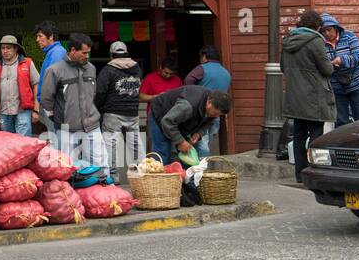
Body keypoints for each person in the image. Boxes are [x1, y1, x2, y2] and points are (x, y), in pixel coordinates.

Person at [282, 9, 335, 183]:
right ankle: (315, 172)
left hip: (295, 95)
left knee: (298, 136)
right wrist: (332, 64)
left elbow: (283, 67)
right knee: (316, 135)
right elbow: (326, 69)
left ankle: (300, 174)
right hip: (314, 96)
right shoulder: (316, 41)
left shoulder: (288, 41)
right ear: (318, 26)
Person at [38, 33, 105, 165]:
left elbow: (93, 93)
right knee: (67, 167)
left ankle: (101, 184)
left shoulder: (91, 68)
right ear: (73, 50)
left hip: (92, 125)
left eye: (88, 53)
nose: (87, 56)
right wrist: (57, 116)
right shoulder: (55, 70)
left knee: (100, 165)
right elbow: (46, 99)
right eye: (84, 53)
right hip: (66, 128)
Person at [147, 86, 232, 165]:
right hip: (161, 114)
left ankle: (180, 178)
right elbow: (167, 122)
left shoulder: (212, 106)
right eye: (216, 113)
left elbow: (209, 121)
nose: (216, 116)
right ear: (209, 103)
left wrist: (199, 133)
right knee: (163, 153)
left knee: (182, 154)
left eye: (219, 115)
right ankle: (160, 179)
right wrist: (181, 141)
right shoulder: (187, 106)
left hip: (178, 120)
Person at [95, 41, 142, 181]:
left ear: (111, 55)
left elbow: (100, 92)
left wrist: (100, 108)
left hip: (113, 112)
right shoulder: (137, 68)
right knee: (135, 144)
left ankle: (113, 177)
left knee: (111, 145)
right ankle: (140, 175)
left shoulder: (108, 70)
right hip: (133, 112)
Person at [320, 13, 359, 125]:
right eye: (323, 31)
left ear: (336, 27)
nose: (327, 33)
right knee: (340, 121)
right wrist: (329, 65)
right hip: (336, 87)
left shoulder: (349, 36)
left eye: (329, 29)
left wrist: (342, 60)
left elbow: (358, 56)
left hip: (357, 84)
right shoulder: (321, 43)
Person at [0, 35, 39, 135]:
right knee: (8, 144)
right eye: (3, 48)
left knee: (23, 144)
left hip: (23, 111)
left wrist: (36, 110)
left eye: (8, 48)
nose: (5, 51)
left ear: (16, 49)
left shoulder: (27, 63)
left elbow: (36, 86)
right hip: (4, 113)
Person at [184, 46, 231, 156]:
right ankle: (203, 164)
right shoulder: (226, 73)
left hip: (204, 112)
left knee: (201, 144)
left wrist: (193, 95)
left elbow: (187, 80)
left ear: (204, 57)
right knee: (208, 141)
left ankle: (200, 168)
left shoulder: (202, 68)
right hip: (216, 114)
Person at [34, 21, 66, 137]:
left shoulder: (56, 53)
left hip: (54, 107)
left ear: (51, 36)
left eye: (40, 36)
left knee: (58, 145)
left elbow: (54, 83)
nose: (37, 40)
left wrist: (49, 109)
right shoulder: (53, 52)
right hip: (53, 106)